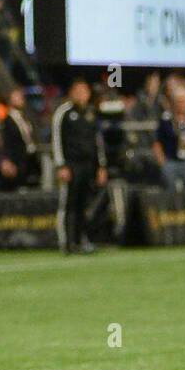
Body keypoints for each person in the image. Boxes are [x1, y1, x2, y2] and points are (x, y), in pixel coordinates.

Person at [52, 78, 106, 253]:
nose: (81, 95)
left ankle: (81, 239)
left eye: (85, 91)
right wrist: (61, 165)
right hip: (71, 164)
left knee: (84, 204)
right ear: (72, 93)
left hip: (88, 165)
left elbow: (97, 142)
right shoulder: (63, 113)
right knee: (69, 204)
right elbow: (57, 140)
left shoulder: (90, 113)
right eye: (78, 91)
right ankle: (66, 242)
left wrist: (101, 166)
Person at [153, 84, 185, 223]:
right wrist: (162, 162)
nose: (182, 104)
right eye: (179, 101)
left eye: (184, 101)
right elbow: (157, 142)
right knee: (170, 194)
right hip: (171, 161)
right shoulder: (166, 119)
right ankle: (172, 226)